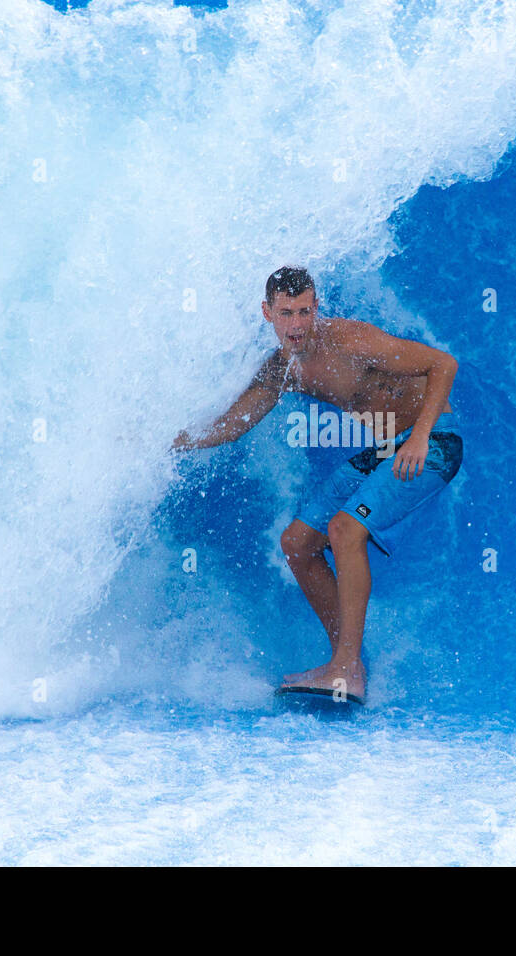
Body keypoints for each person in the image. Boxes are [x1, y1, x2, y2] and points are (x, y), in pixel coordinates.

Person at [172, 266, 462, 704]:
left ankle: (346, 670)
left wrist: (420, 438)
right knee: (298, 542)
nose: (297, 325)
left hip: (432, 440)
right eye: (286, 313)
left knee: (346, 529)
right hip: (385, 450)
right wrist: (171, 442)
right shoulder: (280, 371)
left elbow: (443, 364)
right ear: (267, 313)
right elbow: (233, 425)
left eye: (305, 311)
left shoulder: (348, 340)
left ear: (316, 308)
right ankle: (346, 661)